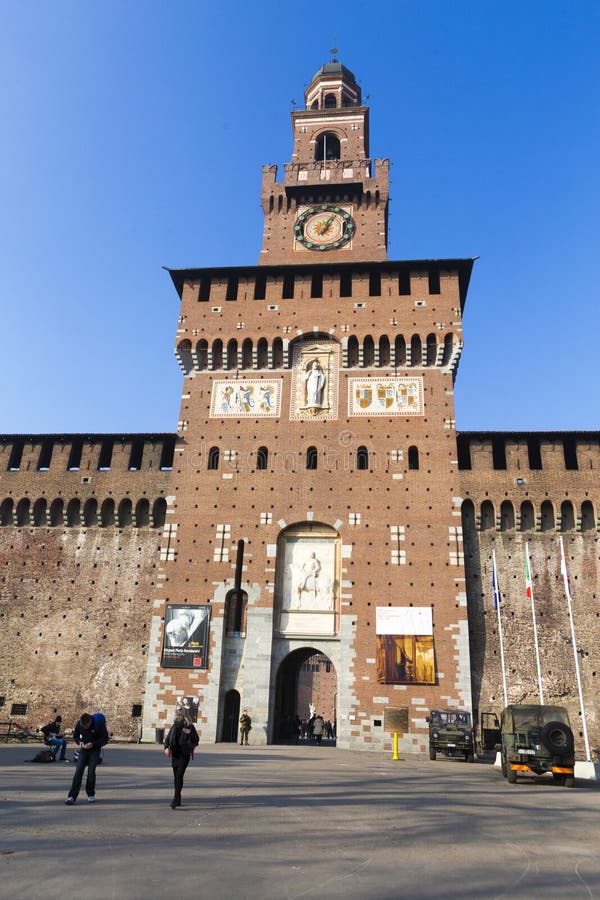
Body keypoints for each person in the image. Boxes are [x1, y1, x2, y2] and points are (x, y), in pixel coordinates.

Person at [64, 712, 109, 805]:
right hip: (84, 749)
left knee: (91, 771)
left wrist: (93, 744)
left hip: (95, 750)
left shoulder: (98, 724)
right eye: (83, 727)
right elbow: (75, 736)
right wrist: (79, 742)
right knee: (78, 771)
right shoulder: (79, 724)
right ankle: (71, 796)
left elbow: (105, 739)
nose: (85, 729)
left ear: (90, 722)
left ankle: (90, 794)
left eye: (86, 727)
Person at [164, 708, 199, 809]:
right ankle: (178, 798)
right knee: (176, 777)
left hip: (184, 754)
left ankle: (175, 799)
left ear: (184, 716)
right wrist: (166, 747)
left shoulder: (190, 726)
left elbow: (196, 740)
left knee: (179, 775)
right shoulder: (175, 726)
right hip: (175, 754)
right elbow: (168, 738)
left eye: (179, 715)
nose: (177, 717)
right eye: (177, 715)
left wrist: (189, 733)